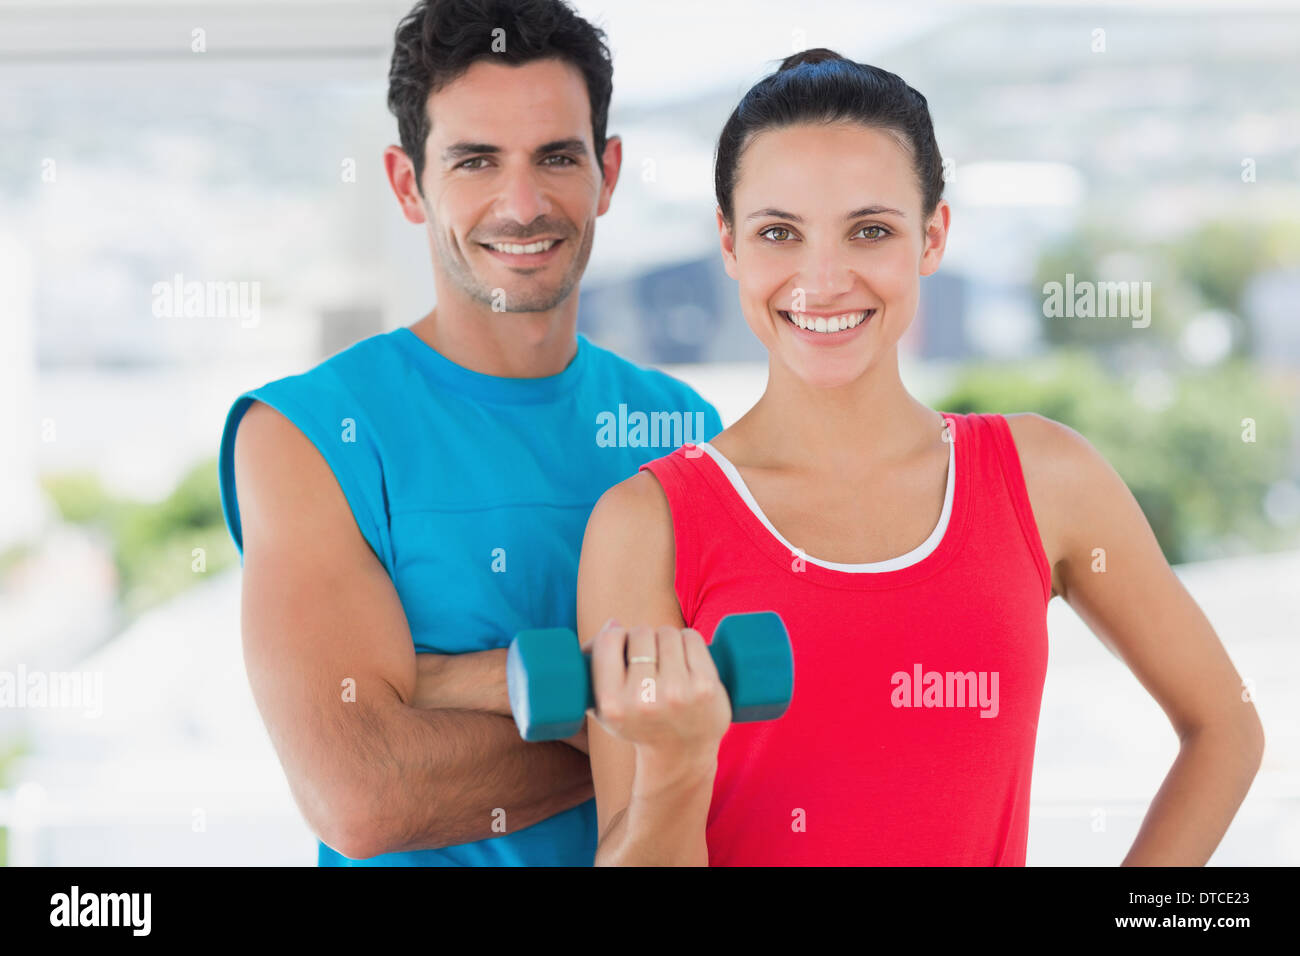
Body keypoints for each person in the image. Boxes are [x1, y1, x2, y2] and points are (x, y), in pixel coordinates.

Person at [576, 48, 1266, 866]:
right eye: (777, 233)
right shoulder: (647, 524)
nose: (823, 279)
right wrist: (678, 767)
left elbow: (1226, 727)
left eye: (870, 230)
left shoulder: (1044, 478)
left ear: (933, 236)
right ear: (728, 244)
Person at [217, 0, 722, 866]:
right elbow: (362, 793)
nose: (520, 205)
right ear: (408, 184)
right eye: (476, 161)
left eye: (557, 157)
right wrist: (645, 724)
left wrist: (446, 680)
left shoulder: (683, 429)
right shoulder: (306, 435)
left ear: (607, 171)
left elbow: (757, 749)